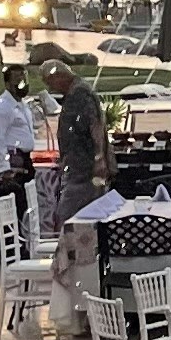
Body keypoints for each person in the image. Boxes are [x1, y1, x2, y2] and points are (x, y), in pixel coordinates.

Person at [40, 53, 107, 225]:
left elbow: (95, 125)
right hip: (79, 164)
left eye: (50, 83)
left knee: (67, 215)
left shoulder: (80, 94)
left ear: (59, 76)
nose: (51, 89)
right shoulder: (75, 92)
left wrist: (99, 158)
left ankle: (68, 248)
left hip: (84, 166)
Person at [0, 67, 41, 243]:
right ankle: (9, 250)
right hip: (12, 161)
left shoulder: (22, 105)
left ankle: (21, 246)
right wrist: (4, 170)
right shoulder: (1, 108)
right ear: (7, 83)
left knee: (22, 206)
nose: (22, 84)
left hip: (24, 159)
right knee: (9, 210)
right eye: (17, 80)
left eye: (24, 80)